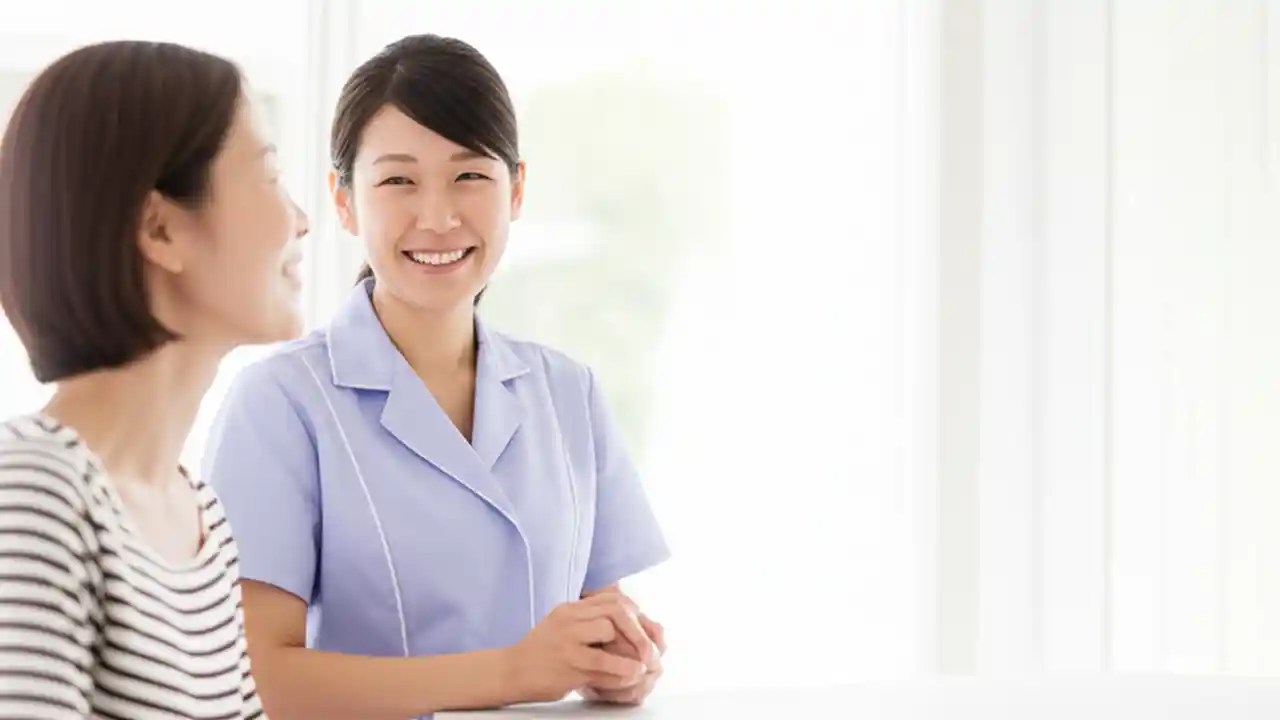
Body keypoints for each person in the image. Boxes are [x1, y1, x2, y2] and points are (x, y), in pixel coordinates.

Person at [201, 34, 669, 718]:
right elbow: (260, 678)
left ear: (516, 189)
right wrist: (510, 672)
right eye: (398, 180)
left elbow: (595, 623)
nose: (438, 217)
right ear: (344, 200)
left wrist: (621, 662)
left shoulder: (570, 392)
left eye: (469, 175)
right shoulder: (280, 404)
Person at [0, 40, 309, 718]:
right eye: (268, 175)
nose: (301, 220)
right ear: (159, 227)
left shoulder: (202, 520)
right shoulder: (36, 492)